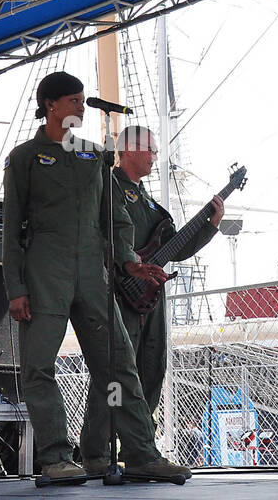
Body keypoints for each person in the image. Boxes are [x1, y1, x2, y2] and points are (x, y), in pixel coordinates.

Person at [1, 71, 192, 482]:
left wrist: (127, 260)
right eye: (73, 100)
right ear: (51, 105)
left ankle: (141, 454)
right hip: (44, 272)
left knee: (118, 362)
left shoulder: (95, 157)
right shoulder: (23, 158)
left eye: (82, 100)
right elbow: (11, 229)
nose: (81, 108)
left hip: (93, 274)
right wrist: (15, 289)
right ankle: (55, 457)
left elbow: (115, 220)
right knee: (39, 366)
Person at [77, 124, 221, 465]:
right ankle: (95, 451)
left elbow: (176, 247)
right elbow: (101, 235)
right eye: (151, 150)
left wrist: (211, 225)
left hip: (149, 297)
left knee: (151, 367)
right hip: (117, 292)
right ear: (130, 150)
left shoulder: (151, 205)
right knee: (112, 371)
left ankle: (137, 447)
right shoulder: (108, 187)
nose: (155, 157)